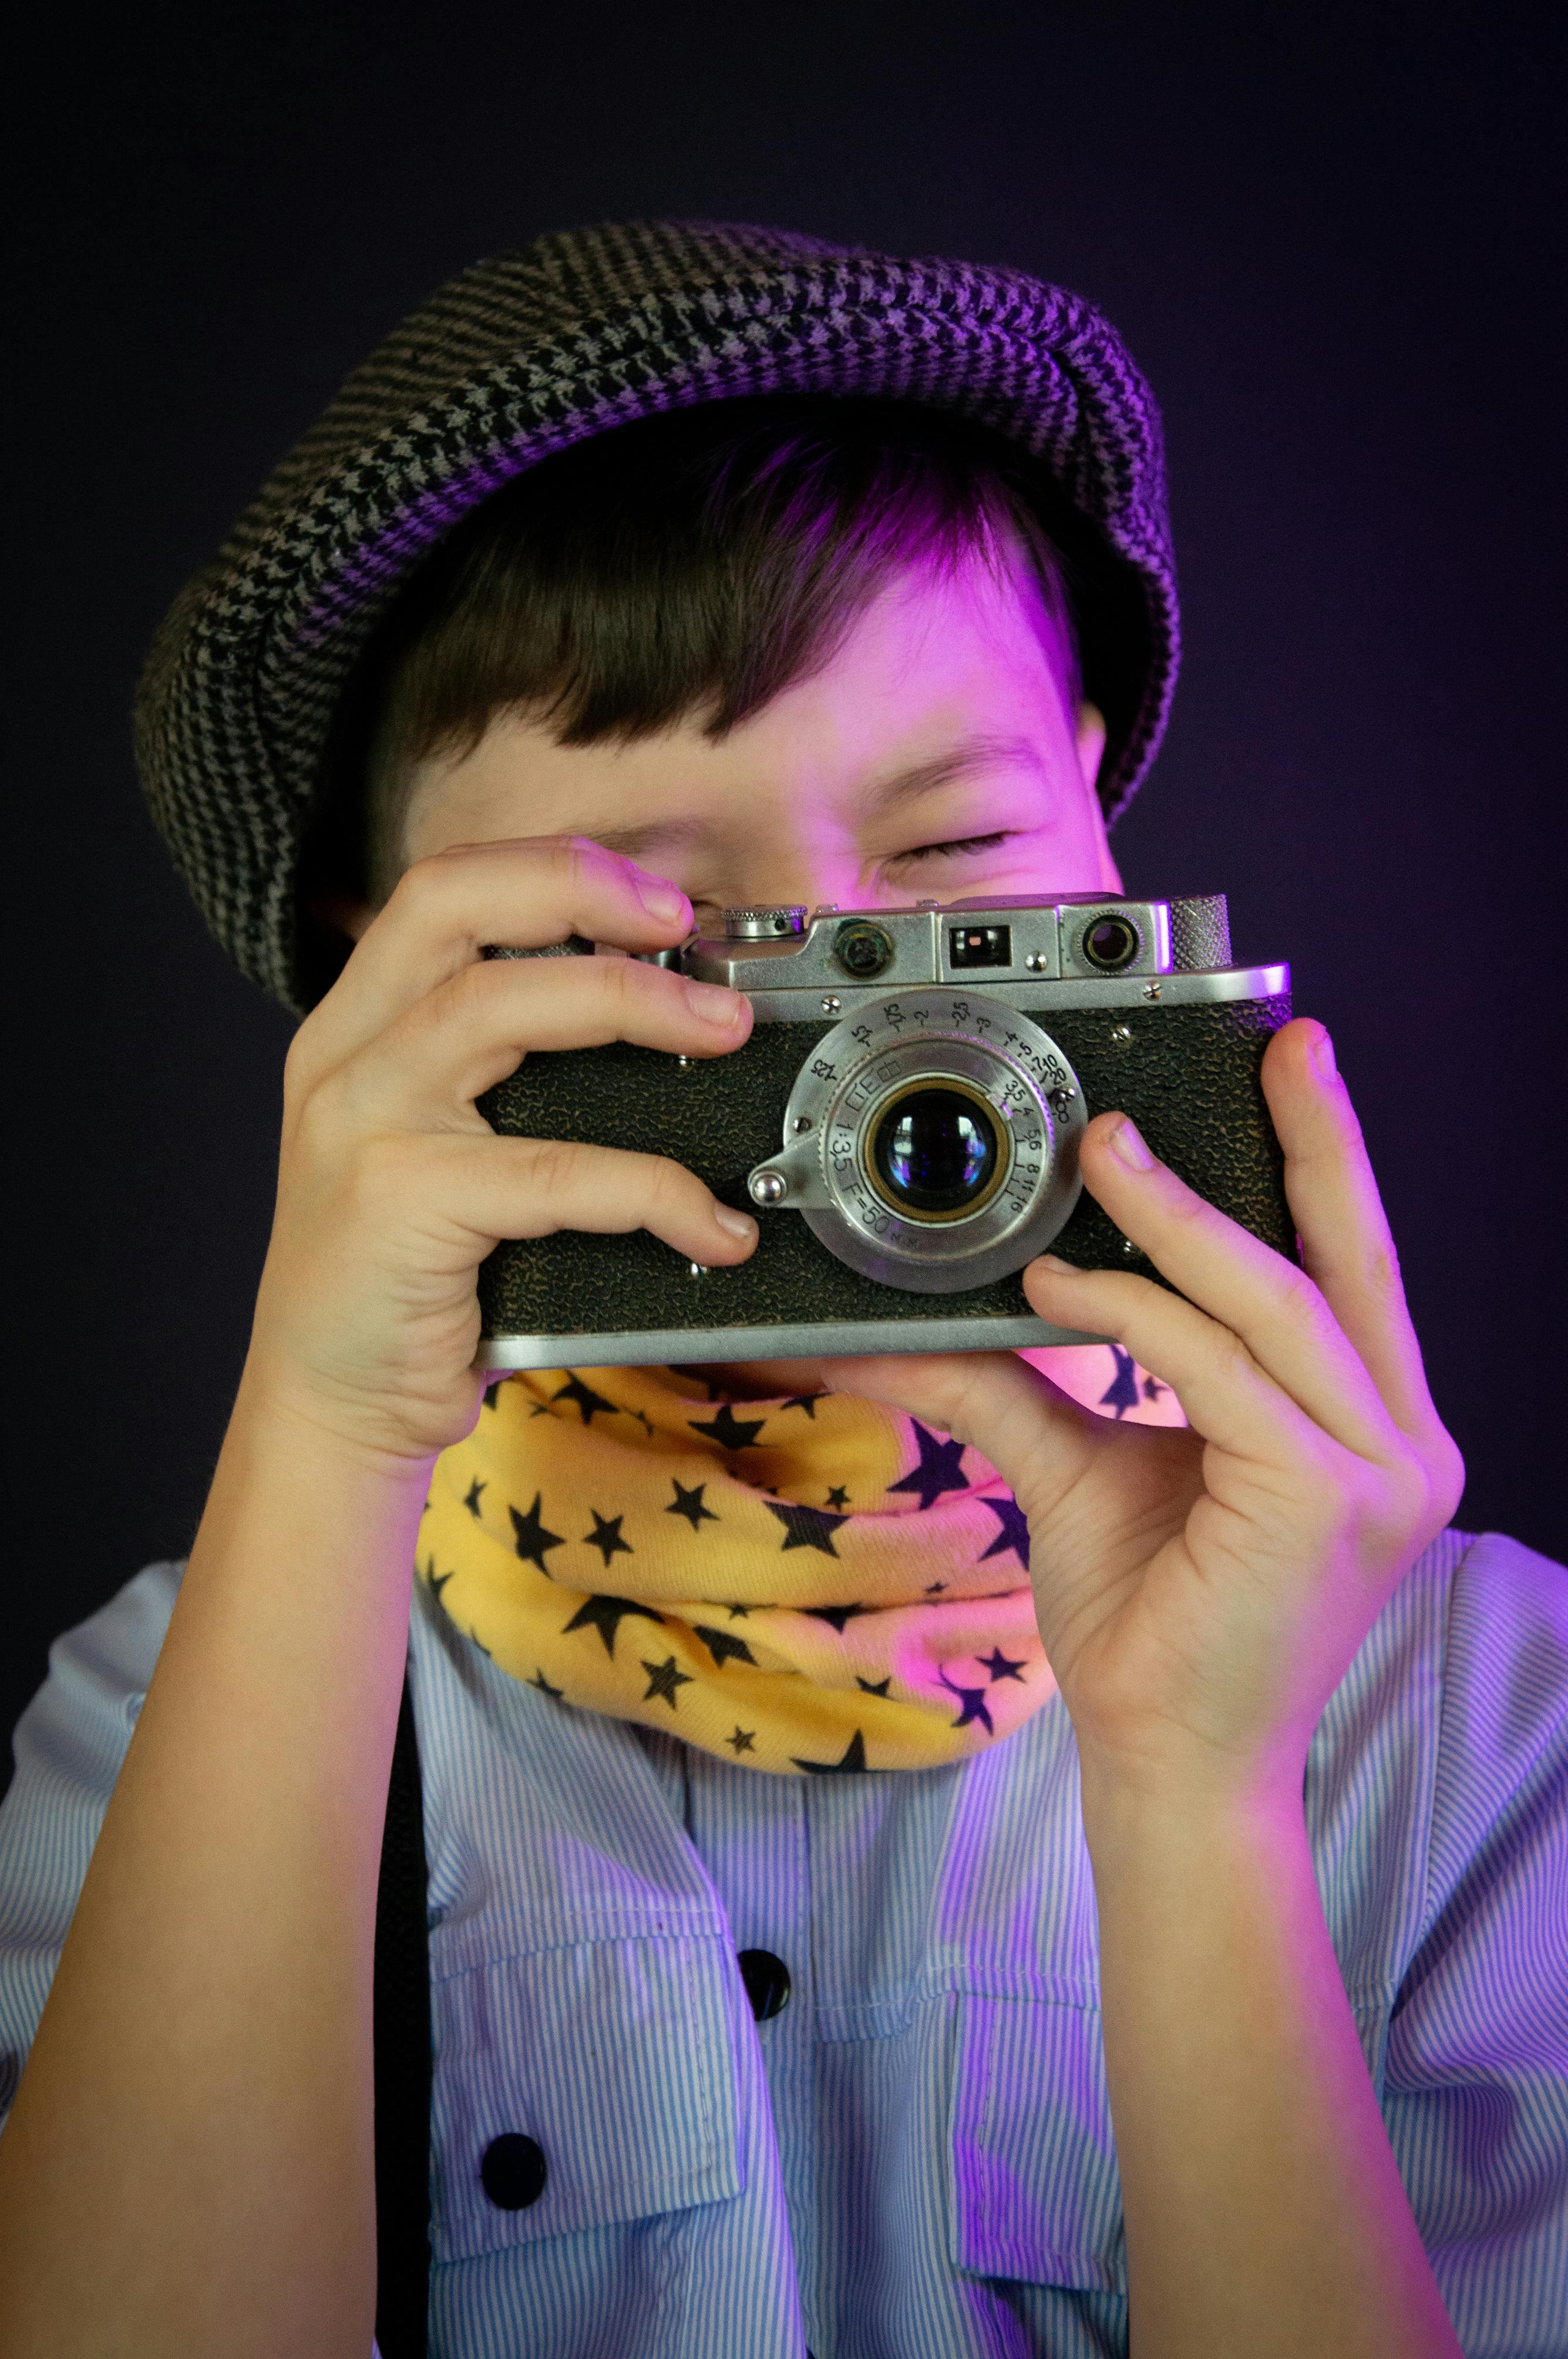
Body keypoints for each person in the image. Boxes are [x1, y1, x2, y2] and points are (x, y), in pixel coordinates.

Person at [0, 221, 1563, 2359]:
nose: (862, 1021)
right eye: (663, 925)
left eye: (948, 869)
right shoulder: (172, 1725)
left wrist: (1202, 1795)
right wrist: (321, 1426)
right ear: (392, 972)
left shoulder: (1486, 1721)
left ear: (1101, 818)